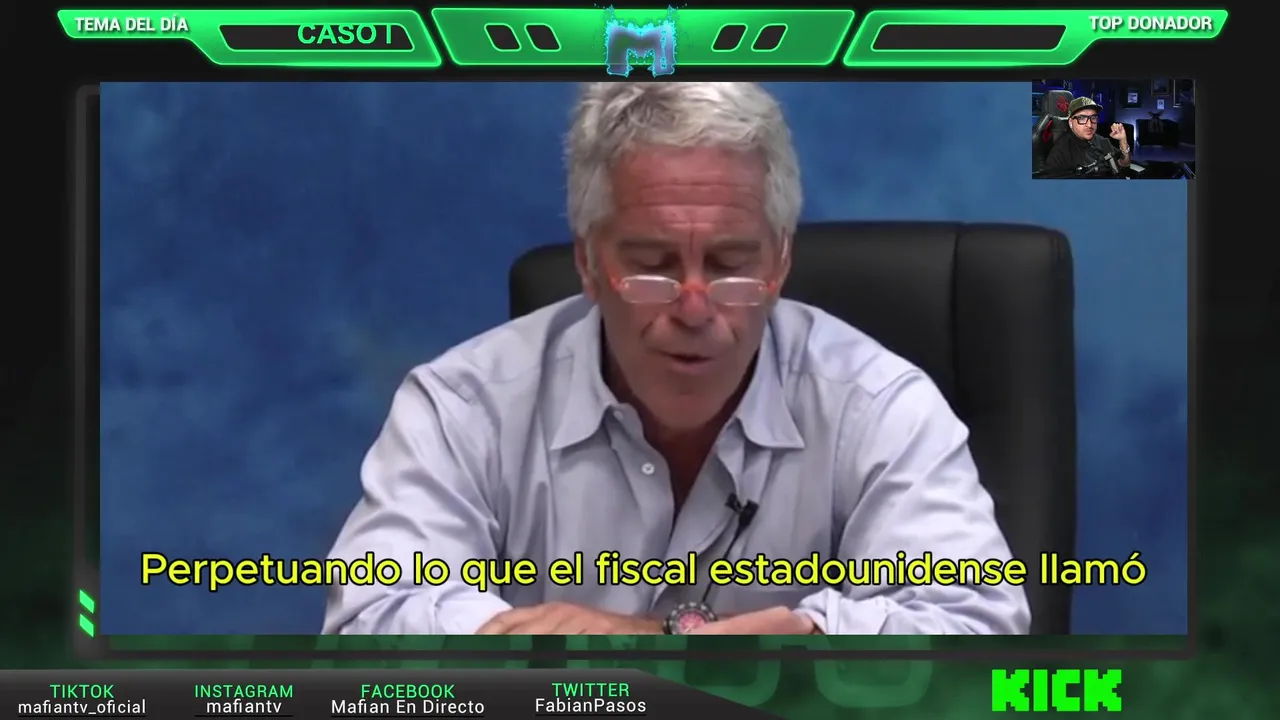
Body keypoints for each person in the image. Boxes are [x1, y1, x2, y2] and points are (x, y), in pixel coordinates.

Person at [323, 82, 1030, 636]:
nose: (694, 308)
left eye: (730, 264)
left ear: (780, 262)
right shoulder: (464, 405)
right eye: (653, 264)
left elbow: (978, 627)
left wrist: (789, 641)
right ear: (588, 262)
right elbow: (370, 617)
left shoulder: (878, 406)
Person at [1041, 97, 1131, 177]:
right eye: (1082, 118)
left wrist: (1123, 140)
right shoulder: (1061, 151)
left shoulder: (1102, 141)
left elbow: (1124, 164)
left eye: (1093, 118)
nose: (1089, 125)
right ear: (1071, 122)